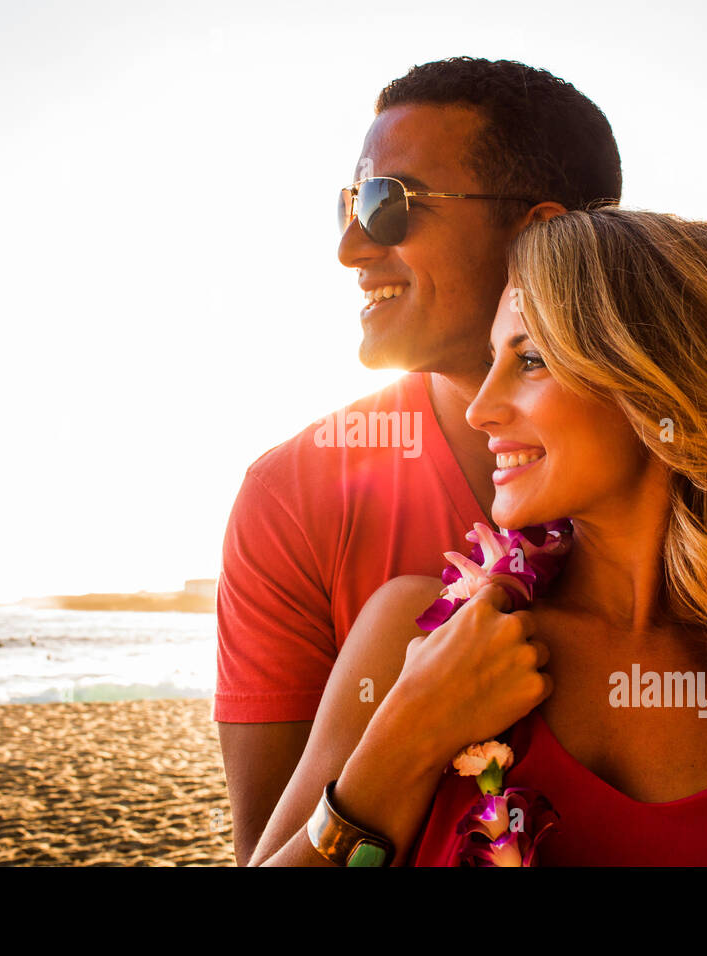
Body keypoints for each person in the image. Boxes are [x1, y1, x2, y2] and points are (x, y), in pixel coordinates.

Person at [247, 208, 707, 866]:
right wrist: (402, 740)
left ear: (660, 383)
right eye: (493, 359)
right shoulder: (418, 640)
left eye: (529, 361)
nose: (482, 409)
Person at [213, 57, 622, 865]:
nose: (349, 248)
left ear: (538, 233)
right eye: (347, 204)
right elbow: (266, 851)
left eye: (386, 204)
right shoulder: (294, 496)